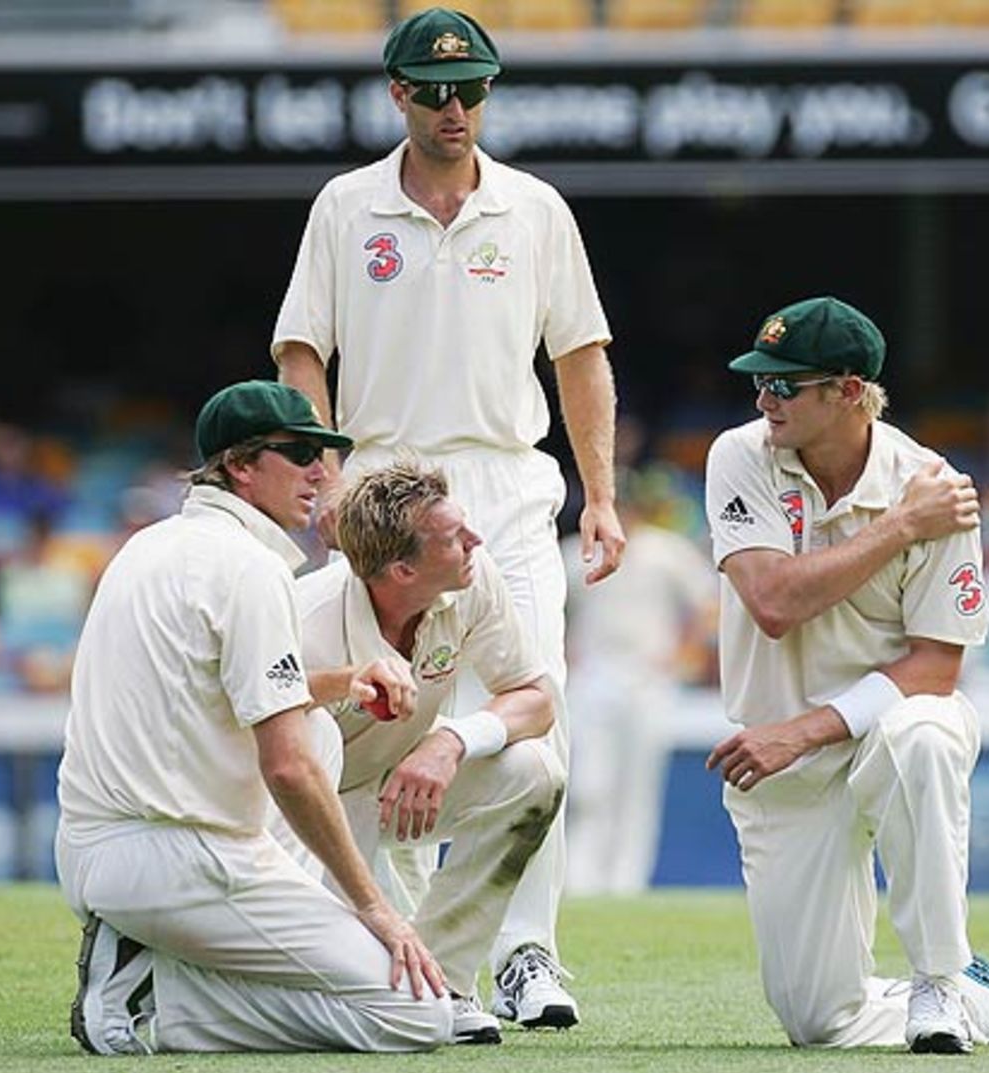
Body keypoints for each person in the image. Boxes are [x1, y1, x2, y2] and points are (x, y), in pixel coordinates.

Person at [271, 6, 624, 1026]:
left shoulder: (534, 208)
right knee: (366, 708)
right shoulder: (347, 206)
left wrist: (601, 494)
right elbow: (302, 349)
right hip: (383, 486)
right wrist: (326, 478)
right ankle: (379, 941)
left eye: (470, 89)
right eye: (433, 92)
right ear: (399, 95)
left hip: (504, 486)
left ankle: (526, 954)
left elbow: (580, 354)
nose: (454, 108)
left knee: (535, 699)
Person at [703, 296, 989, 1053]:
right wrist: (903, 524)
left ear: (848, 390)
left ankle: (941, 979)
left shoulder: (935, 482)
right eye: (759, 382)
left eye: (784, 385)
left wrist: (807, 729)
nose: (764, 399)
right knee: (820, 1021)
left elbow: (937, 666)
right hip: (783, 756)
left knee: (925, 736)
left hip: (887, 720)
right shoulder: (742, 455)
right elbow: (774, 602)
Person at [55, 381, 452, 1055]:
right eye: (299, 454)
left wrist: (342, 681)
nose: (320, 472)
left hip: (96, 852)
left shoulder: (148, 545)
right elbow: (287, 768)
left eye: (323, 454)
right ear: (240, 465)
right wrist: (374, 907)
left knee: (318, 727)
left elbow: (211, 693)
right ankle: (160, 998)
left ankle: (150, 960)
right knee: (420, 1014)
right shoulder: (248, 567)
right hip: (183, 860)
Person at [279, 459, 566, 1043]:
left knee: (535, 771)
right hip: (300, 822)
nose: (476, 540)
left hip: (399, 791)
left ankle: (445, 984)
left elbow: (536, 699)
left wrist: (451, 740)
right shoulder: (303, 619)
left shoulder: (472, 576)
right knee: (333, 1000)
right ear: (403, 569)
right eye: (455, 537)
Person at [563, 466, 717, 894]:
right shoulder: (577, 553)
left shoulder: (666, 552)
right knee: (588, 782)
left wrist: (680, 655)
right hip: (593, 677)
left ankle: (626, 883)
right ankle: (580, 878)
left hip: (648, 680)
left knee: (638, 785)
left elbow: (707, 605)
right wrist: (565, 656)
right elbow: (546, 611)